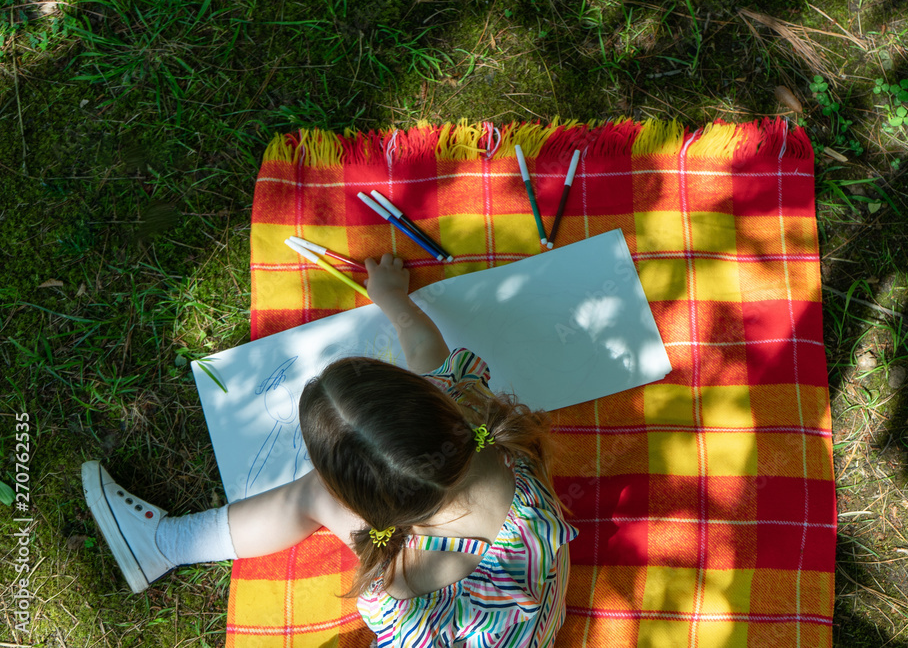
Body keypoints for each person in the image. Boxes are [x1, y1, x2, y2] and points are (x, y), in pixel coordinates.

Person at [82, 253, 578, 646]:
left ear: (374, 512)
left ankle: (166, 545)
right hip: (532, 614)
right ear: (429, 397)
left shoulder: (404, 589)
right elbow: (428, 350)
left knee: (313, 493)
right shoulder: (480, 416)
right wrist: (392, 300)